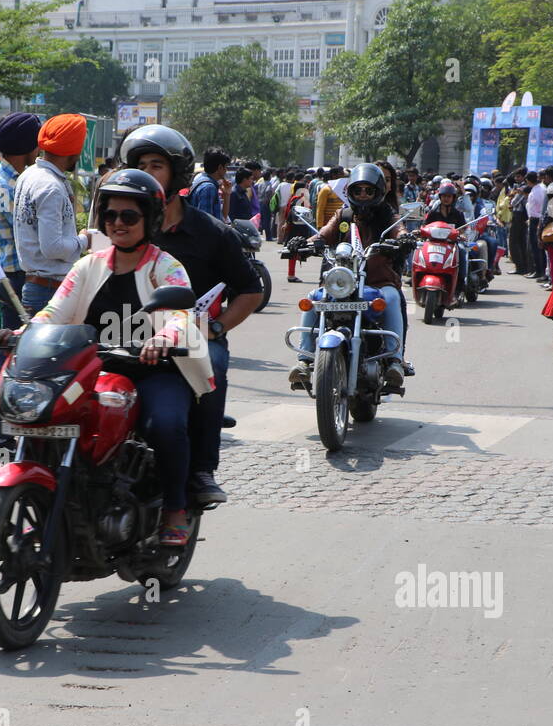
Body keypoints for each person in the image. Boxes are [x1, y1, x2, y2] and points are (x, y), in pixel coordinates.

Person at [0, 169, 213, 546]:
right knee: (46, 417)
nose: (117, 223)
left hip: (155, 369)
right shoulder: (87, 266)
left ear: (151, 219)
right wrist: (19, 334)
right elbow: (54, 312)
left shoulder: (166, 267)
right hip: (94, 370)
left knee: (166, 424)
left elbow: (182, 316)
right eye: (110, 215)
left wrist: (162, 338)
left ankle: (175, 508)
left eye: (129, 216)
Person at [122, 124, 263, 507]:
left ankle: (201, 470)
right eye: (141, 165)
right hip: (121, 336)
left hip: (190, 338)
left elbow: (251, 290)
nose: (147, 173)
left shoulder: (212, 233)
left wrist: (217, 327)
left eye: (157, 165)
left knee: (212, 361)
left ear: (177, 174)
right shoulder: (120, 225)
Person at [288, 162, 411, 390]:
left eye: (368, 190)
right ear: (350, 192)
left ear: (378, 192)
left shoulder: (386, 214)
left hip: (378, 282)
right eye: (358, 190)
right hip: (343, 281)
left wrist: (403, 239)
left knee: (392, 298)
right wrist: (303, 244)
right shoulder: (343, 215)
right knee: (314, 297)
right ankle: (304, 361)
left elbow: (398, 229)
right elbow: (323, 235)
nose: (363, 195)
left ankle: (395, 361)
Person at [0, 112, 41, 386]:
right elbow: (26, 234)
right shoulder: (8, 184)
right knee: (12, 347)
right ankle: (1, 415)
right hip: (15, 275)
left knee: (13, 344)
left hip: (11, 272)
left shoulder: (10, 176)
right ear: (26, 146)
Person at [14, 113, 96, 324]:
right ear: (73, 150)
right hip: (49, 291)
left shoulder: (29, 175)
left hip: (40, 286)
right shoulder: (50, 187)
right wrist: (84, 240)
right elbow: (52, 248)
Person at [186, 147, 228, 219]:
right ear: (220, 167)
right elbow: (206, 223)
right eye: (226, 167)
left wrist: (227, 194)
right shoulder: (209, 188)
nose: (226, 170)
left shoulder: (201, 179)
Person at [524, 170, 548, 282]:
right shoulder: (536, 189)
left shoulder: (539, 190)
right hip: (533, 218)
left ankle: (540, 271)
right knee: (533, 247)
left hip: (537, 219)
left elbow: (539, 206)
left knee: (537, 246)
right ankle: (536, 270)